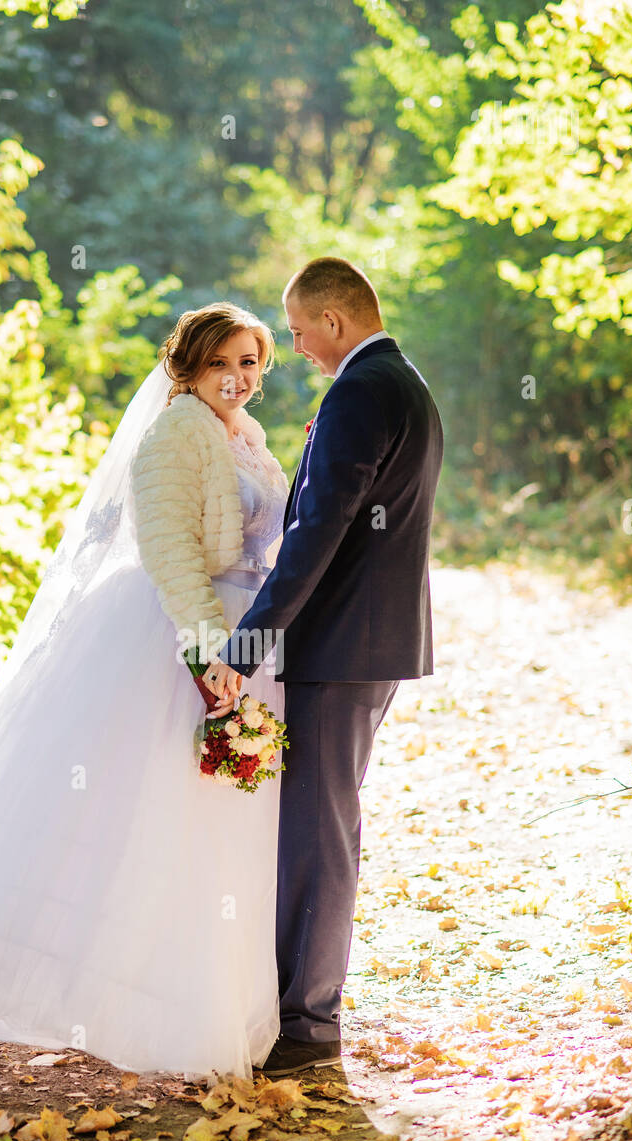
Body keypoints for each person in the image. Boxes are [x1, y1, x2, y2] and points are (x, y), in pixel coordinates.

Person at [0, 302, 290, 1082]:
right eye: (222, 364)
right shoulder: (174, 434)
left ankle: (198, 991)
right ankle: (98, 986)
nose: (238, 378)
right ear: (187, 368)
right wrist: (211, 654)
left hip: (243, 635)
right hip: (181, 633)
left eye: (250, 363)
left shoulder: (242, 434)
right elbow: (171, 551)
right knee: (143, 813)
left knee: (209, 824)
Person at [205, 257, 444, 1078]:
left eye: (300, 332)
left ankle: (307, 1020)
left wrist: (246, 643)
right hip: (362, 643)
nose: (296, 348)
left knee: (316, 830)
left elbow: (318, 531)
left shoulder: (362, 390)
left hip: (342, 644)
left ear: (335, 322)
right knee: (322, 822)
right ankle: (301, 1005)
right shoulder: (397, 379)